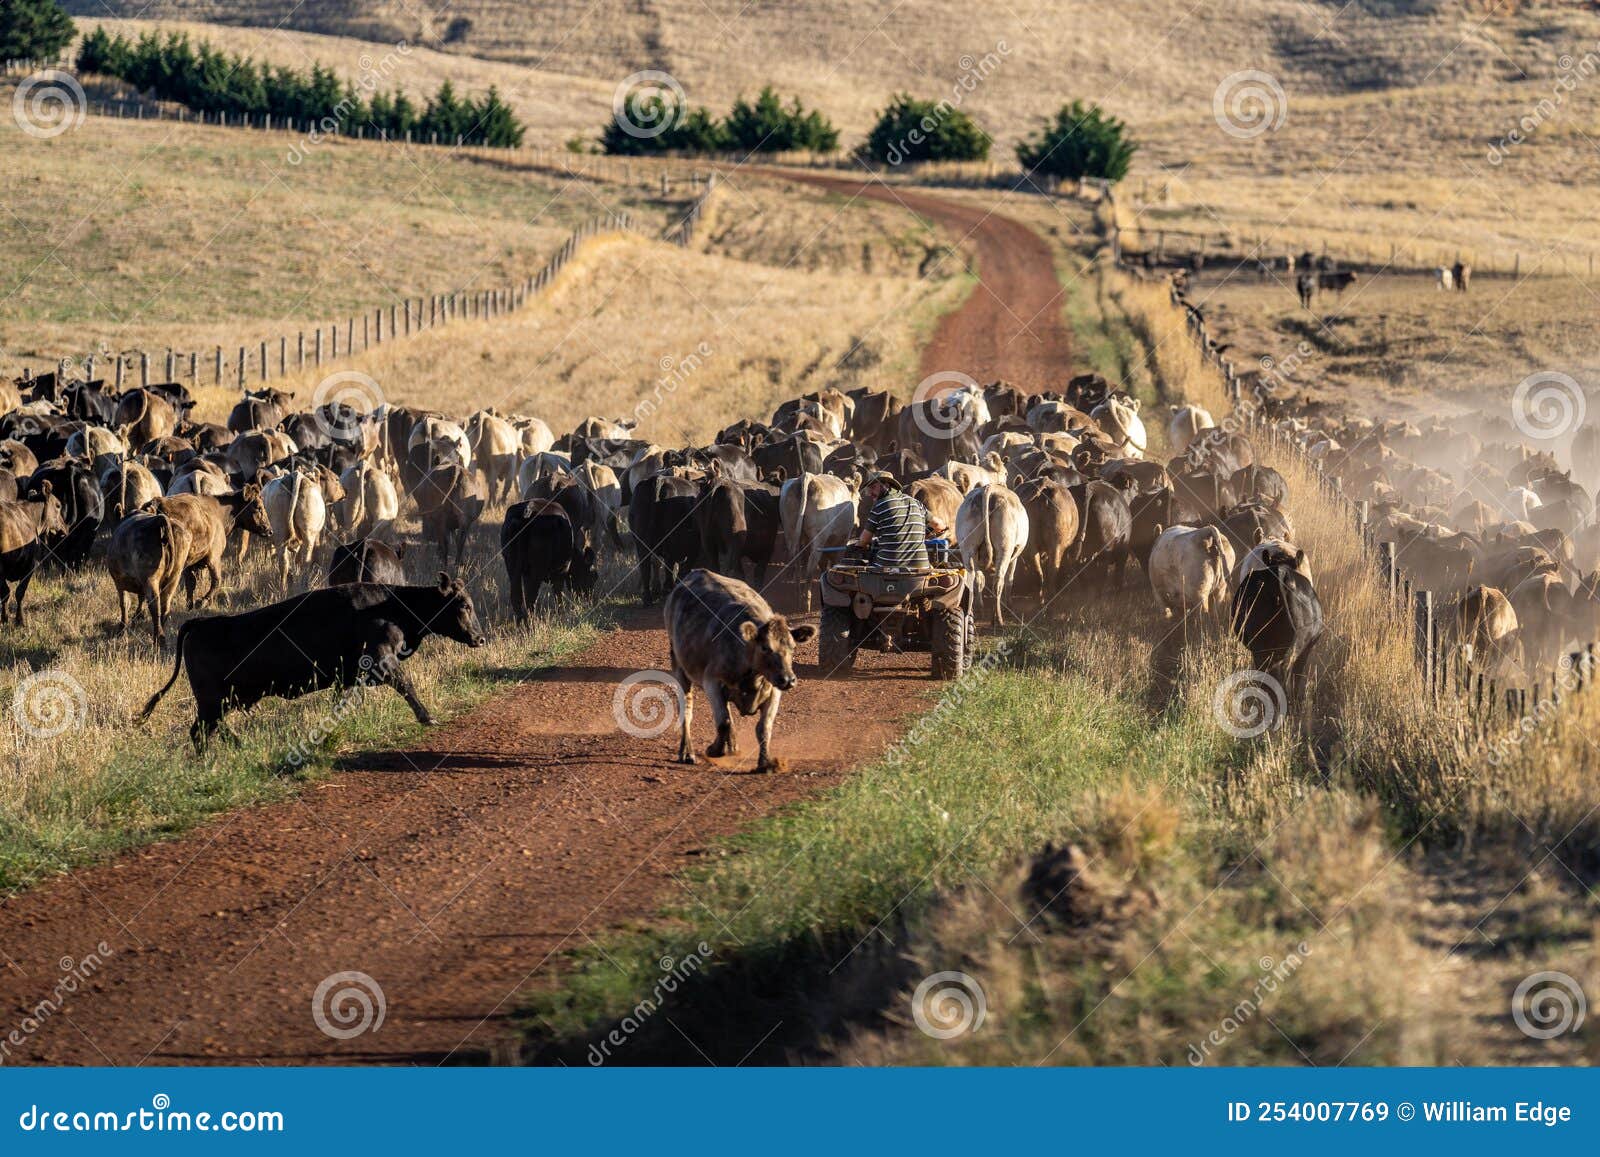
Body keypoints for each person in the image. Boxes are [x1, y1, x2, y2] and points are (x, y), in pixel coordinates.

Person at [855, 471, 947, 570]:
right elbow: (939, 525)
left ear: (885, 485)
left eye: (873, 487)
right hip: (922, 568)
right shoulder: (916, 503)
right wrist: (924, 534)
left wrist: (857, 547)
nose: (869, 493)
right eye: (868, 489)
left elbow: (864, 541)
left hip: (887, 568)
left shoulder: (880, 506)